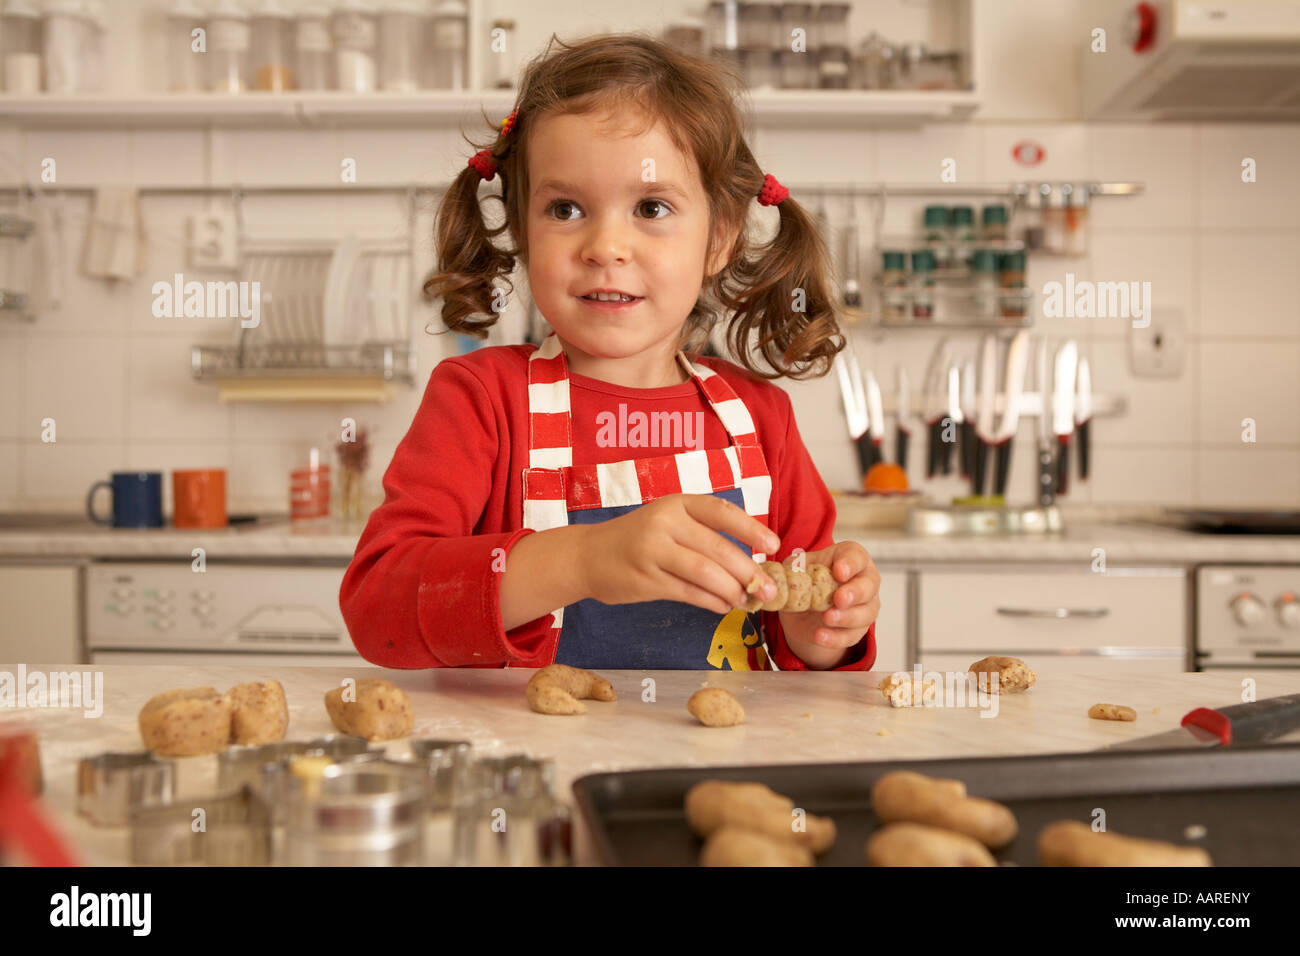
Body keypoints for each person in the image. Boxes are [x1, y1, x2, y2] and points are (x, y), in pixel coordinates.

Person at [340, 33, 881, 671]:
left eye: (651, 207)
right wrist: (583, 560)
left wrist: (822, 627)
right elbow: (381, 609)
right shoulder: (480, 401)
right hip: (531, 763)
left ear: (720, 238)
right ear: (521, 229)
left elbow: (794, 645)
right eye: (565, 208)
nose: (605, 246)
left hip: (717, 763)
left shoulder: (761, 420)